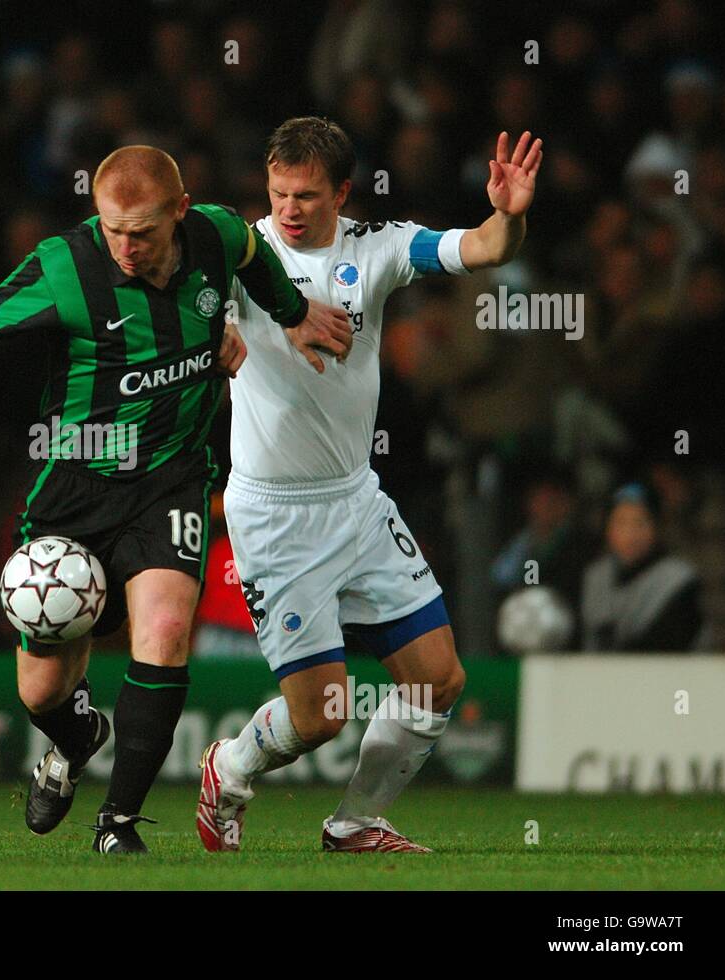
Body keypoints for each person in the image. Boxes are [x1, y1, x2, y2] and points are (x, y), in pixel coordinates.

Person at [0, 145, 350, 853]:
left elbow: (254, 261)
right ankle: (77, 735)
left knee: (167, 633)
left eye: (141, 232)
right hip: (75, 489)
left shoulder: (218, 234)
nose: (125, 248)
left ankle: (117, 825)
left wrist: (292, 312)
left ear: (179, 212)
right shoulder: (65, 266)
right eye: (112, 229)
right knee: (39, 692)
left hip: (170, 481)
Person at [198, 118, 540, 853]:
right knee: (320, 717)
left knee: (438, 680)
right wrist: (221, 339)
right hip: (275, 517)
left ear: (343, 193)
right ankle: (227, 769)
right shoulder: (234, 254)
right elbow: (203, 324)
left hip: (356, 503)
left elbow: (479, 248)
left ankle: (356, 821)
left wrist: (509, 215)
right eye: (279, 192)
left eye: (307, 196)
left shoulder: (377, 247)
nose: (289, 209)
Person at [580, 483, 704, 652]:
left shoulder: (679, 579)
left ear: (658, 527)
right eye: (620, 522)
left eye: (640, 523)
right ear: (607, 529)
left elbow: (667, 648)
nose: (630, 535)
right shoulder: (595, 576)